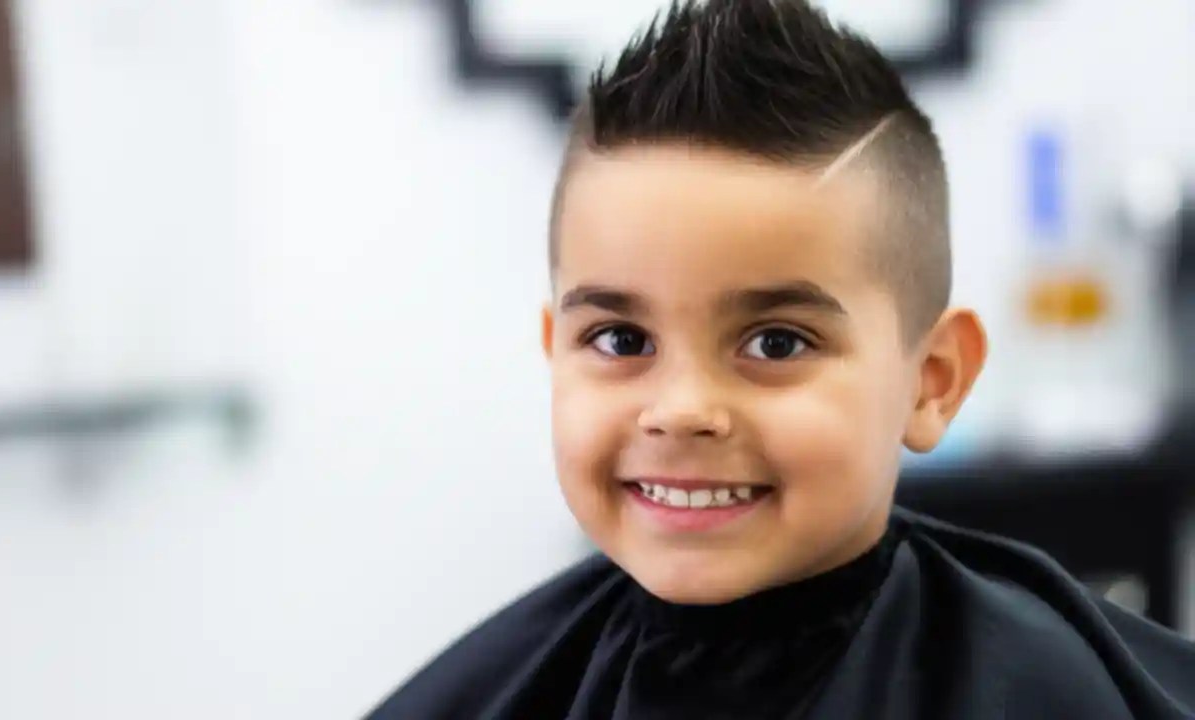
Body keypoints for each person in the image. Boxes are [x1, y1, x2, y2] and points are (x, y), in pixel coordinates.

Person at [367, 1, 1195, 717]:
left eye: (775, 342)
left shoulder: (1052, 689)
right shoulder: (497, 687)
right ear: (556, 354)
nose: (683, 407)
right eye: (622, 340)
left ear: (932, 380)